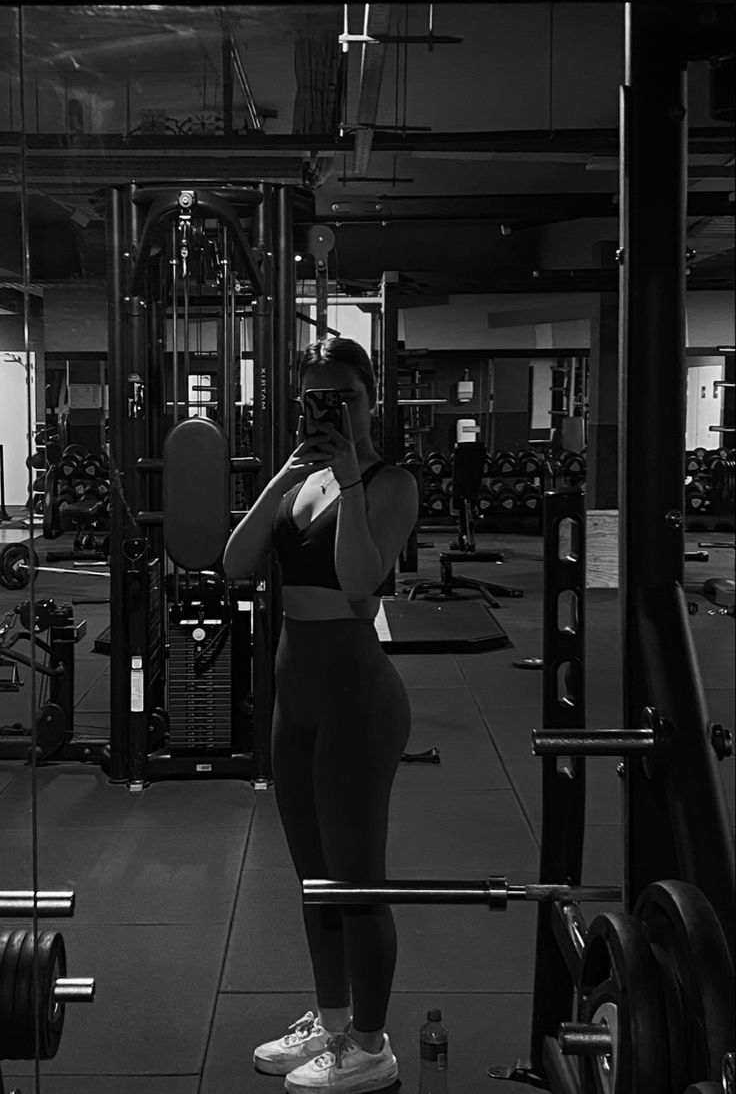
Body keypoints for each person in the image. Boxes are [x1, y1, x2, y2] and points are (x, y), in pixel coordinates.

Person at [223, 335, 418, 1093]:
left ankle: (371, 1042)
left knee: (356, 877)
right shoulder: (297, 480)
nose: (331, 408)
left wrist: (348, 481)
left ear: (371, 402)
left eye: (345, 396)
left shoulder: (389, 481)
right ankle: (333, 1021)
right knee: (314, 880)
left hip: (356, 701)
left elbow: (362, 588)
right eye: (316, 398)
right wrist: (282, 477)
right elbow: (235, 560)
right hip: (293, 696)